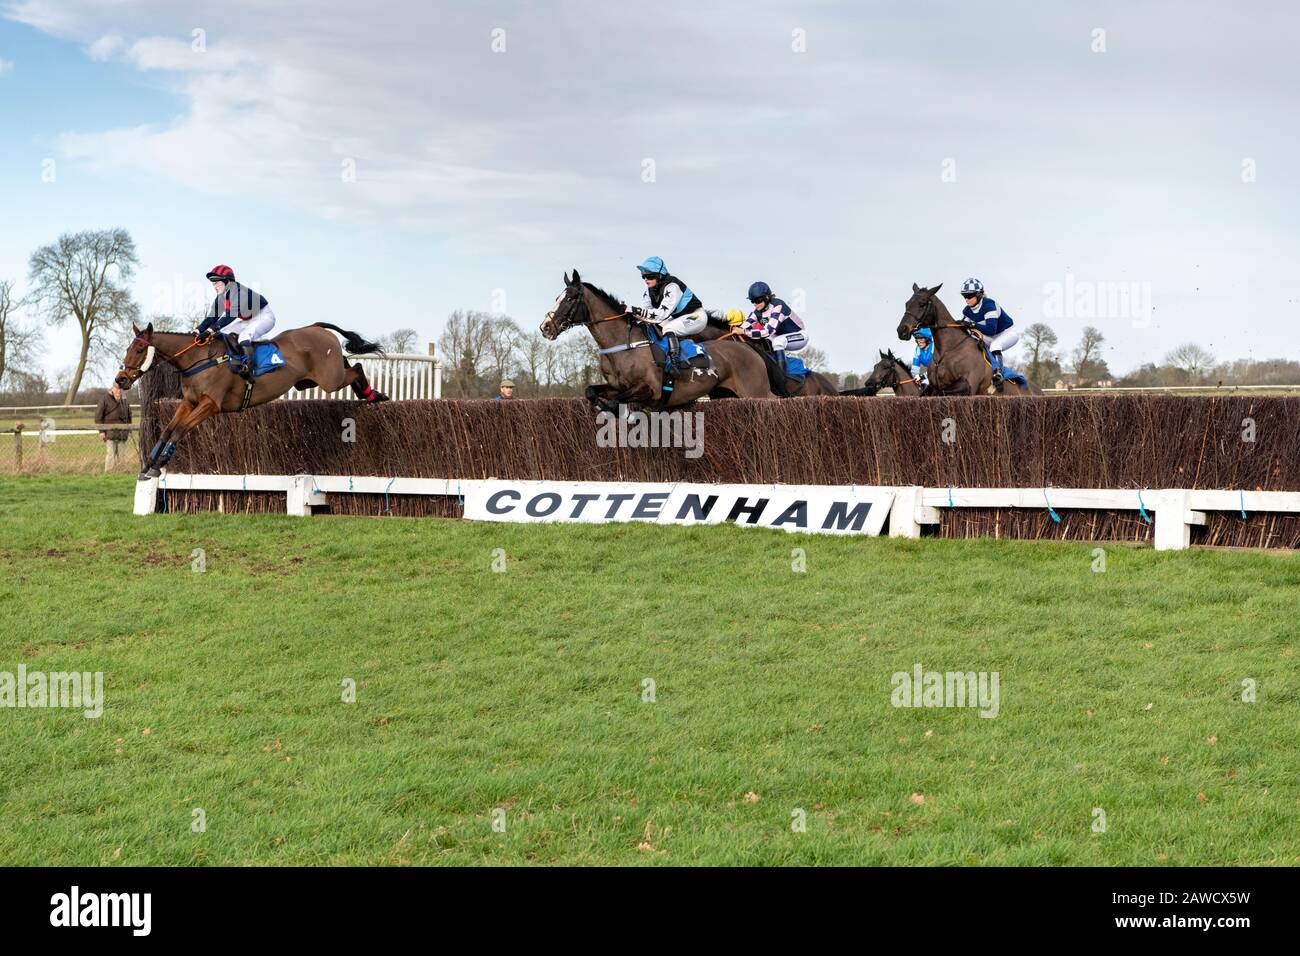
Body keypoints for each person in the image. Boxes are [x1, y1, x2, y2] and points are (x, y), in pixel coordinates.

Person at [195, 265, 277, 381]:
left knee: (244, 336)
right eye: (213, 283)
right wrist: (198, 330)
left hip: (264, 316)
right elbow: (212, 317)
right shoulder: (221, 297)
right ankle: (235, 362)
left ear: (228, 282)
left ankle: (250, 369)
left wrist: (209, 331)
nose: (215, 286)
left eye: (217, 283)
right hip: (248, 320)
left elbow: (230, 316)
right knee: (223, 334)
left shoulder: (239, 292)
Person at [627, 256, 706, 370]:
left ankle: (674, 364)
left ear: (660, 275)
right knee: (652, 326)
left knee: (669, 328)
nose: (645, 279)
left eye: (649, 275)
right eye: (643, 276)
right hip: (677, 318)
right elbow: (647, 315)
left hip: (696, 316)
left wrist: (637, 311)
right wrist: (632, 315)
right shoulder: (649, 291)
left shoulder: (673, 286)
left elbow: (661, 314)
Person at [959, 277, 1018, 385]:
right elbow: (964, 327)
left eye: (969, 296)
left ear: (979, 295)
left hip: (1007, 333)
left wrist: (973, 324)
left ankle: (998, 373)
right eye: (964, 296)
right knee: (971, 340)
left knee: (995, 346)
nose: (966, 299)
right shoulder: (966, 310)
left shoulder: (989, 305)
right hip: (990, 336)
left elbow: (991, 330)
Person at [740, 281, 809, 360]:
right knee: (760, 342)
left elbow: (768, 332)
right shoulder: (757, 312)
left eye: (758, 301)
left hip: (800, 336)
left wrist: (745, 332)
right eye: (752, 301)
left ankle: (780, 372)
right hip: (778, 337)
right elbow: (744, 326)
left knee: (777, 342)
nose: (755, 304)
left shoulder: (778, 305)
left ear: (766, 298)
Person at [95, 383, 132, 472]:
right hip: (109, 433)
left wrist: (128, 429)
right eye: (116, 389)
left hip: (122, 433)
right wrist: (101, 431)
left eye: (120, 389)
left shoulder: (124, 400)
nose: (118, 391)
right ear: (112, 389)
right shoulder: (104, 399)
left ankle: (122, 472)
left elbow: (129, 415)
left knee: (122, 455)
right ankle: (109, 473)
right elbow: (98, 417)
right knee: (110, 455)